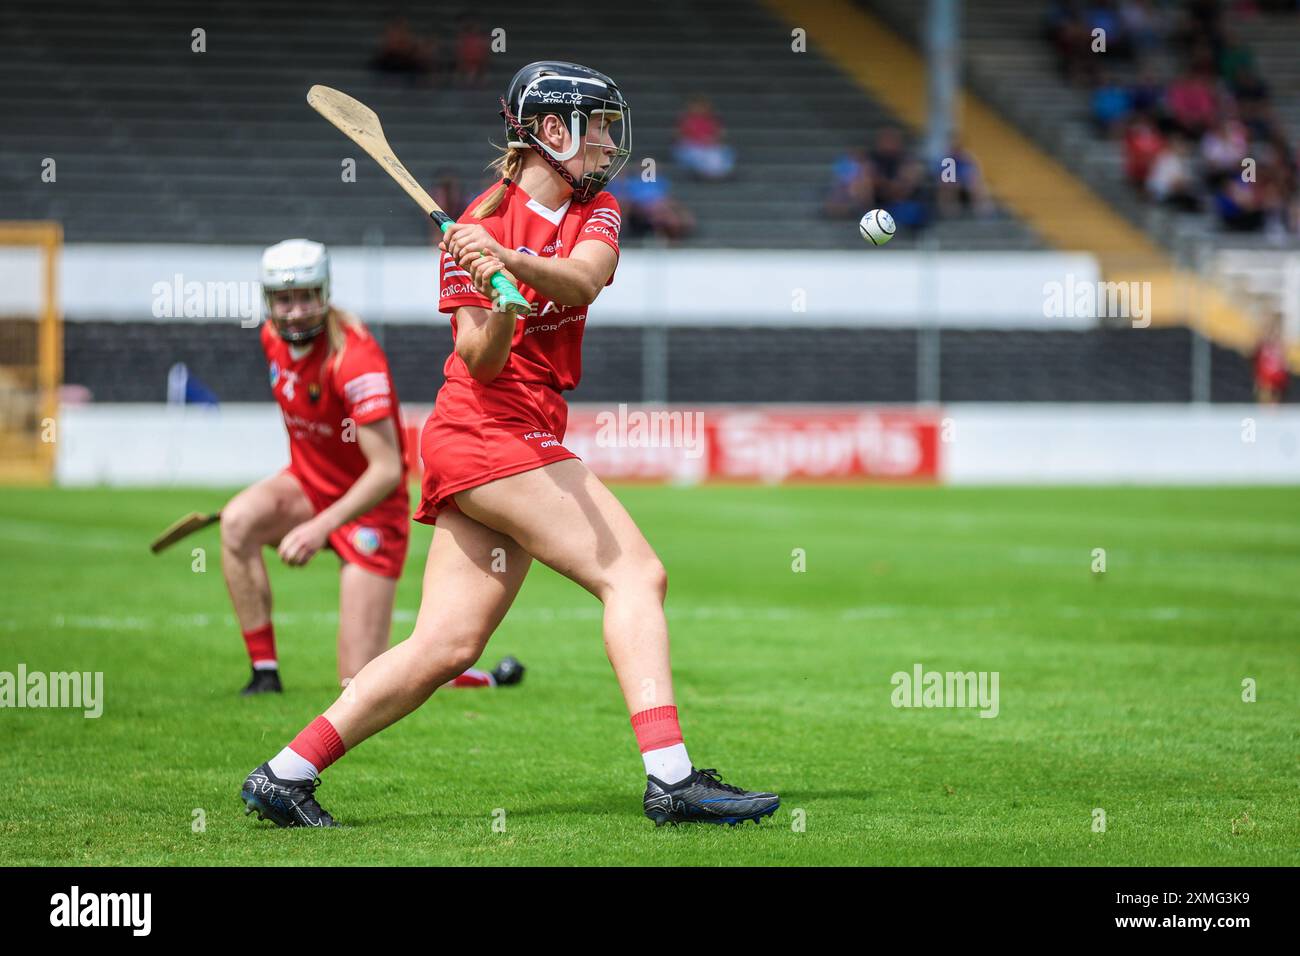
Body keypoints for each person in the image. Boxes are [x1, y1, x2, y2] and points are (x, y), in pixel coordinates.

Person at [240, 63, 779, 829]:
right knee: (636, 575)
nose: (609, 140)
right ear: (552, 131)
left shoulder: (597, 210)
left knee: (446, 644)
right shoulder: (474, 229)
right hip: (487, 430)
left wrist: (513, 268)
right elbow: (481, 362)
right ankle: (672, 780)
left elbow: (585, 280)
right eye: (596, 124)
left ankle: (285, 774)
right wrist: (495, 306)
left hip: (511, 434)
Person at [222, 239, 525, 697]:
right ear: (269, 302)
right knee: (237, 521)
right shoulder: (271, 340)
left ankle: (479, 677)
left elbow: (387, 470)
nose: (295, 311)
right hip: (310, 489)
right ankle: (264, 674)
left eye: (306, 296)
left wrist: (319, 527)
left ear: (324, 293)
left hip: (370, 512)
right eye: (284, 300)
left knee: (359, 682)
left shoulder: (356, 362)